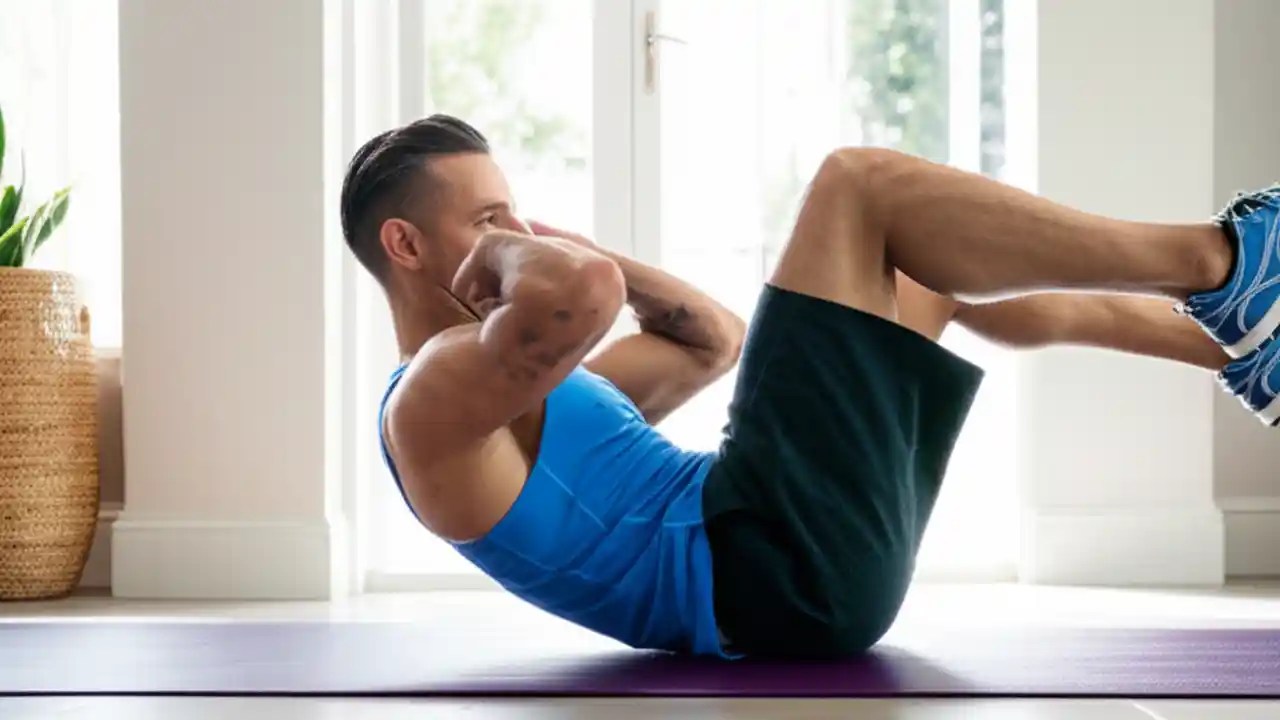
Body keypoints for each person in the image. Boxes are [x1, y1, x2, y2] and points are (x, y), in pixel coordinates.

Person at [341, 114, 1279, 659]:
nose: (519, 229)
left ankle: (1241, 352)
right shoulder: (429, 406)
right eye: (489, 214)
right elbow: (584, 295)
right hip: (763, 568)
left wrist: (547, 241)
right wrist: (527, 252)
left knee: (924, 282)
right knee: (857, 185)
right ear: (406, 246)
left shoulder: (525, 405)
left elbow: (712, 342)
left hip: (789, 567)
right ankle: (1219, 261)